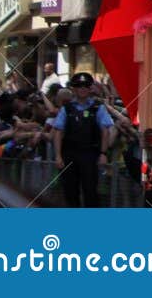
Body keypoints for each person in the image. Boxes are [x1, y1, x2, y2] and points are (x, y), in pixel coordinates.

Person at [49, 72, 114, 207]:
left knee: (90, 190)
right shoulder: (67, 109)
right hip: (70, 153)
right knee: (70, 191)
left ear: (90, 88)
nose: (82, 88)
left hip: (90, 154)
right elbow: (58, 132)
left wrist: (103, 153)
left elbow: (105, 131)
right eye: (79, 86)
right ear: (73, 88)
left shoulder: (97, 108)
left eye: (85, 85)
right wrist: (58, 156)